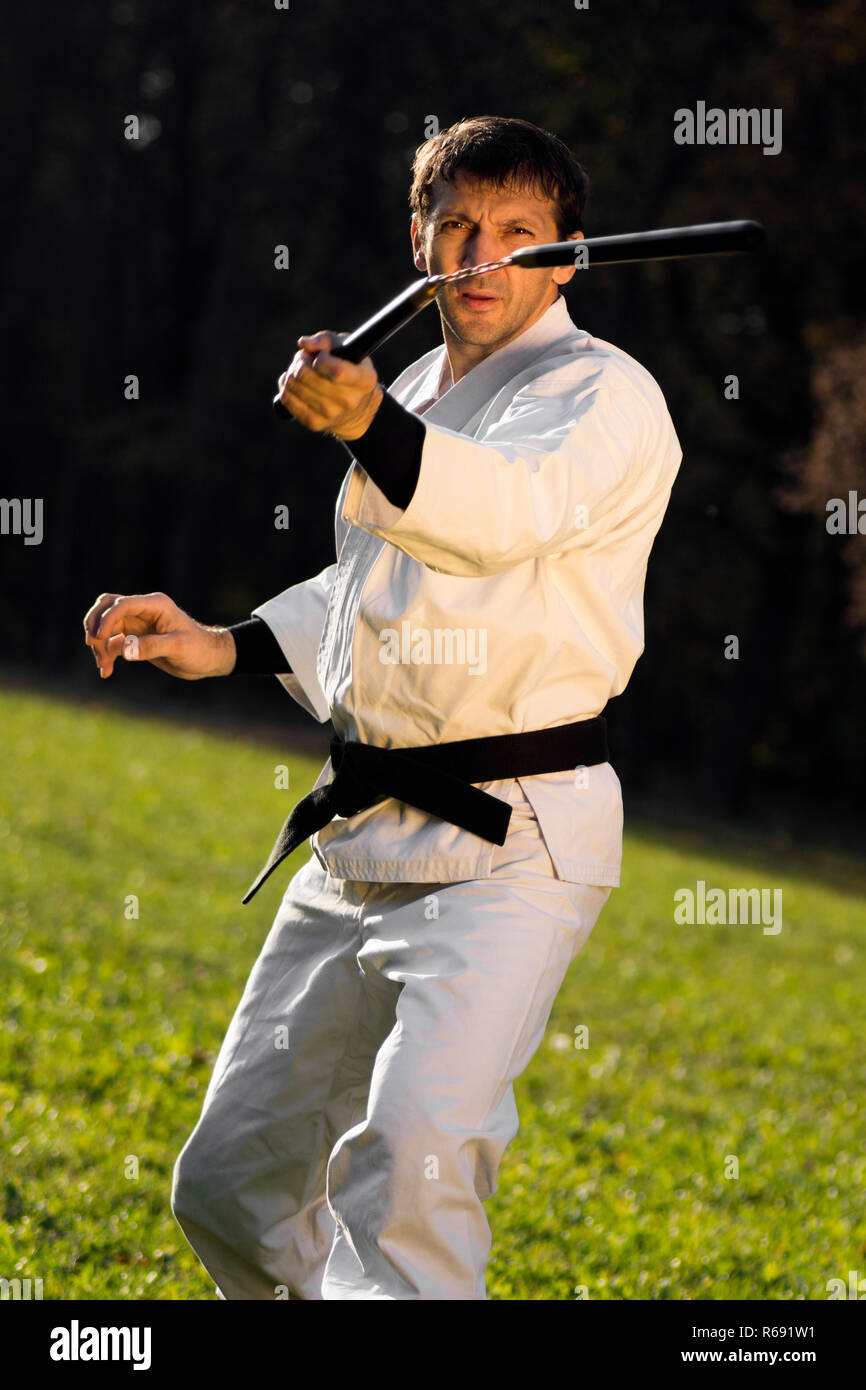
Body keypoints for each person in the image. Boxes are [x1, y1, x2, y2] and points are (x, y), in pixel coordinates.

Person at [82, 115, 682, 1300]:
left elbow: (499, 517)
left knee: (409, 1170)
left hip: (511, 841)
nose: (480, 253)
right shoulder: (413, 380)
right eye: (455, 225)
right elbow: (372, 590)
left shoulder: (605, 396)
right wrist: (222, 644)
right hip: (360, 835)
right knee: (231, 1185)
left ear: (567, 254)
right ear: (418, 240)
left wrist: (366, 426)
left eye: (517, 233)